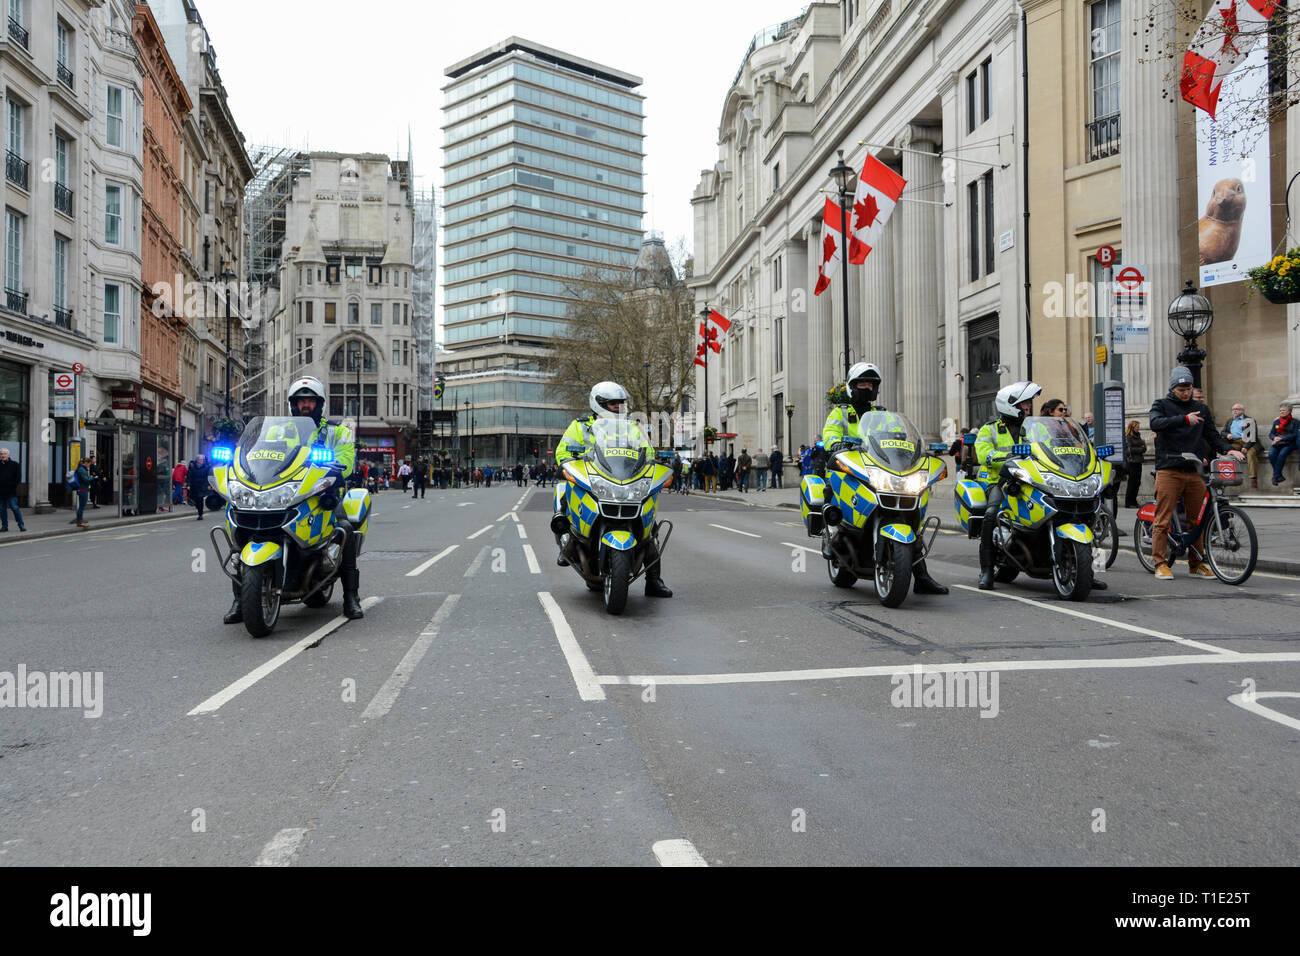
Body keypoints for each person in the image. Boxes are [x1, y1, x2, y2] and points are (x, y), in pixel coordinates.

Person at [225, 376, 363, 623]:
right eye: (300, 401)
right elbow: (261, 456)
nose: (305, 405)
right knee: (241, 534)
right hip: (282, 493)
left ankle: (351, 597)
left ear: (319, 403)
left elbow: (347, 464)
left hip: (323, 494)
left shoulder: (338, 431)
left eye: (310, 400)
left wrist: (335, 469)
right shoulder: (279, 430)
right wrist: (241, 467)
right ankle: (240, 600)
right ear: (292, 404)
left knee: (344, 530)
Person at [821, 361, 948, 595]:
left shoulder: (883, 415)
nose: (867, 387)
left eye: (871, 383)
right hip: (851, 468)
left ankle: (921, 576)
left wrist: (914, 448)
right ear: (852, 386)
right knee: (831, 491)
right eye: (862, 383)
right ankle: (832, 534)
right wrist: (835, 443)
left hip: (881, 470)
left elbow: (901, 437)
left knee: (909, 517)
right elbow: (829, 436)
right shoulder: (839, 413)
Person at [553, 381, 671, 598]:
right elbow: (562, 451)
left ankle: (654, 581)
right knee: (565, 494)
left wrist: (656, 464)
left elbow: (647, 452)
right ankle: (567, 542)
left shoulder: (631, 428)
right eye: (613, 403)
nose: (619, 407)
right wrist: (567, 462)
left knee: (649, 530)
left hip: (626, 481)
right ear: (598, 404)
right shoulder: (580, 426)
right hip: (593, 478)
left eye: (620, 403)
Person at [1148, 366, 1244, 581]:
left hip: (1194, 471)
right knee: (1162, 520)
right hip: (1169, 469)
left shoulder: (1201, 408)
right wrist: (1184, 419)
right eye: (1181, 388)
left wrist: (1229, 450)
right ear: (1173, 388)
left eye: (1188, 388)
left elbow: (1212, 436)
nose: (1185, 392)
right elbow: (1155, 423)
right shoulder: (1161, 405)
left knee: (1196, 520)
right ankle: (1160, 563)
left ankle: (1196, 564)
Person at [974, 380, 1043, 591]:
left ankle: (1089, 570)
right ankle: (986, 570)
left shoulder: (1035, 428)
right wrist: (1011, 456)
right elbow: (984, 454)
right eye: (1024, 404)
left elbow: (1050, 447)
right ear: (1010, 405)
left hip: (1033, 480)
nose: (1028, 407)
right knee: (991, 515)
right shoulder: (990, 429)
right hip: (1000, 482)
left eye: (1029, 404)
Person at [1220, 403, 1260, 488]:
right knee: (1228, 454)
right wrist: (1227, 435)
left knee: (1250, 454)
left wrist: (1246, 447)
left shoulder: (1249, 420)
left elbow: (1252, 436)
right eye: (1233, 409)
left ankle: (1253, 478)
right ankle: (1227, 477)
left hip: (1249, 442)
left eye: (1237, 409)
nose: (1234, 411)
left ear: (1242, 411)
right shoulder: (1230, 420)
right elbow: (1223, 432)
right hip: (1235, 442)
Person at [1268, 403, 1298, 486]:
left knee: (1282, 454)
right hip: (1277, 443)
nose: (1281, 412)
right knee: (1271, 454)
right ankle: (1278, 475)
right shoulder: (1277, 421)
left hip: (1290, 443)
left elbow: (1295, 434)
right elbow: (1271, 433)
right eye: (1280, 410)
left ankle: (1275, 476)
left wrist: (1282, 438)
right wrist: (1274, 438)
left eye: (1283, 410)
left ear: (1289, 411)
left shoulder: (1295, 422)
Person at [0, 447, 25, 532]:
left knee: (15, 508)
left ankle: (21, 525)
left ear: (8, 455)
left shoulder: (15, 465)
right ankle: (4, 526)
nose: (2, 455)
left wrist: (10, 487)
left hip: (11, 492)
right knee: (2, 510)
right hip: (0, 492)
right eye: (1, 454)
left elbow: (18, 479)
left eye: (4, 453)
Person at [1123, 420, 1146, 509]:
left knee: (1137, 483)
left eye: (1138, 427)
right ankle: (1129, 502)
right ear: (1132, 427)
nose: (1138, 428)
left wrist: (1141, 448)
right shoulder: (1128, 437)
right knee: (1132, 483)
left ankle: (1134, 501)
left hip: (1138, 461)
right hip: (1132, 462)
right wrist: (1140, 449)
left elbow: (1144, 447)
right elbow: (1129, 450)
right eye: (1137, 427)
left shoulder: (1138, 435)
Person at [187, 454, 211, 522]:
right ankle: (198, 509)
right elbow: (189, 476)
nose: (201, 461)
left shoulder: (206, 467)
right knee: (196, 500)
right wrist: (188, 484)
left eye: (202, 460)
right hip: (194, 486)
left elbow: (208, 477)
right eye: (200, 459)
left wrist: (207, 485)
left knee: (200, 499)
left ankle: (200, 514)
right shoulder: (193, 467)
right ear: (197, 460)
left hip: (202, 486)